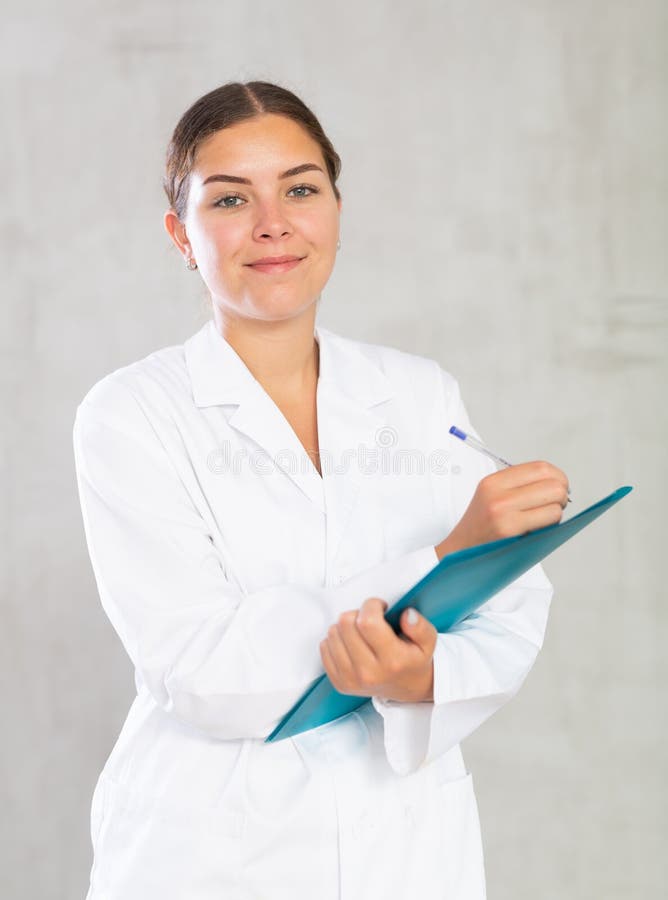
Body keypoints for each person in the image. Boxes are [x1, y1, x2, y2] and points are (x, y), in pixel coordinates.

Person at [72, 81, 569, 900]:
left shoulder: (420, 395)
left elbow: (511, 607)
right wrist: (445, 556)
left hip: (406, 848)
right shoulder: (131, 415)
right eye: (231, 199)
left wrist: (424, 683)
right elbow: (196, 666)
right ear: (182, 236)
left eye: (300, 189)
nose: (273, 223)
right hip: (212, 851)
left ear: (335, 208)